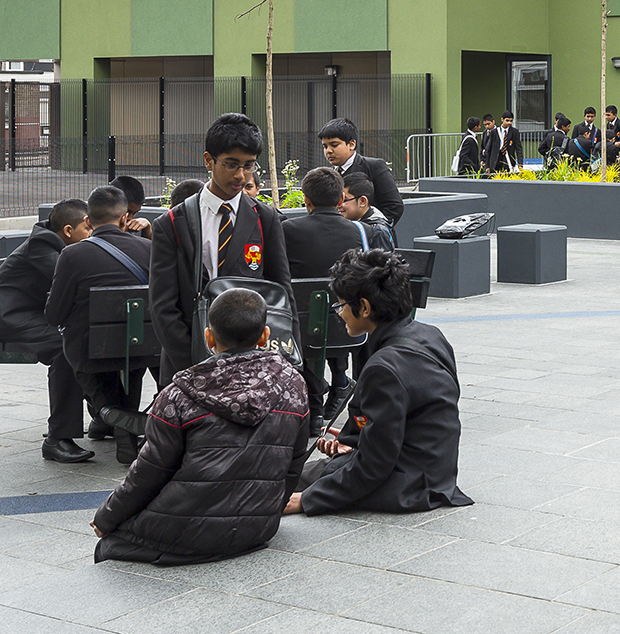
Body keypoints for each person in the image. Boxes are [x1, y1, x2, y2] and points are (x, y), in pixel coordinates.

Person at [91, 288, 310, 564]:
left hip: (185, 532)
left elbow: (149, 471)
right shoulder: (294, 384)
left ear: (209, 338)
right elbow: (293, 465)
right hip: (258, 528)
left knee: (108, 547)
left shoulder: (178, 394)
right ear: (265, 335)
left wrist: (107, 517)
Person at [288, 250, 473, 515]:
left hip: (408, 485)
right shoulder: (430, 335)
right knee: (304, 471)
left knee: (289, 479)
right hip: (435, 474)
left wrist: (306, 500)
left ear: (364, 307)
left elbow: (374, 465)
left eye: (341, 305)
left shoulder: (384, 368)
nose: (339, 314)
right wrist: (361, 438)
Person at [150, 112, 293, 383]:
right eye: (231, 164)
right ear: (208, 160)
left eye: (249, 165)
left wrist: (289, 361)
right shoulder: (172, 222)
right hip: (189, 364)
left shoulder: (266, 218)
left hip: (253, 365)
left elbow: (282, 293)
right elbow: (162, 305)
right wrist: (196, 364)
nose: (241, 175)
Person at [46, 186, 157, 465]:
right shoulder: (149, 248)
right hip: (142, 348)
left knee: (80, 345)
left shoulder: (72, 256)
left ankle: (108, 411)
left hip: (90, 351)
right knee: (131, 347)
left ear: (87, 221)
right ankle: (124, 426)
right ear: (124, 219)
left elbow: (54, 314)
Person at [285, 166, 382, 429]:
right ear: (341, 199)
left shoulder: (288, 230)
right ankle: (341, 383)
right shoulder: (363, 232)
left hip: (303, 332)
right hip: (352, 328)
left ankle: (314, 411)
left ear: (305, 199)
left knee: (314, 320)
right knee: (335, 306)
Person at [0, 199, 94, 462]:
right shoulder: (41, 246)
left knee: (88, 338)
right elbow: (66, 281)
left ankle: (104, 415)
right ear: (67, 231)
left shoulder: (58, 242)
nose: (92, 234)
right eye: (88, 229)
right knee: (66, 346)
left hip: (36, 313)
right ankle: (58, 438)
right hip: (11, 315)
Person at [318, 118, 406, 224]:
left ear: (351, 144)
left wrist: (373, 230)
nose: (329, 151)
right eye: (325, 146)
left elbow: (394, 206)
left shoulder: (374, 166)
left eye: (334, 145)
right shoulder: (328, 175)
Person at [338, 172, 396, 249]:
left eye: (344, 200)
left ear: (362, 201)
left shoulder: (378, 232)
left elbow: (382, 260)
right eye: (338, 200)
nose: (339, 205)